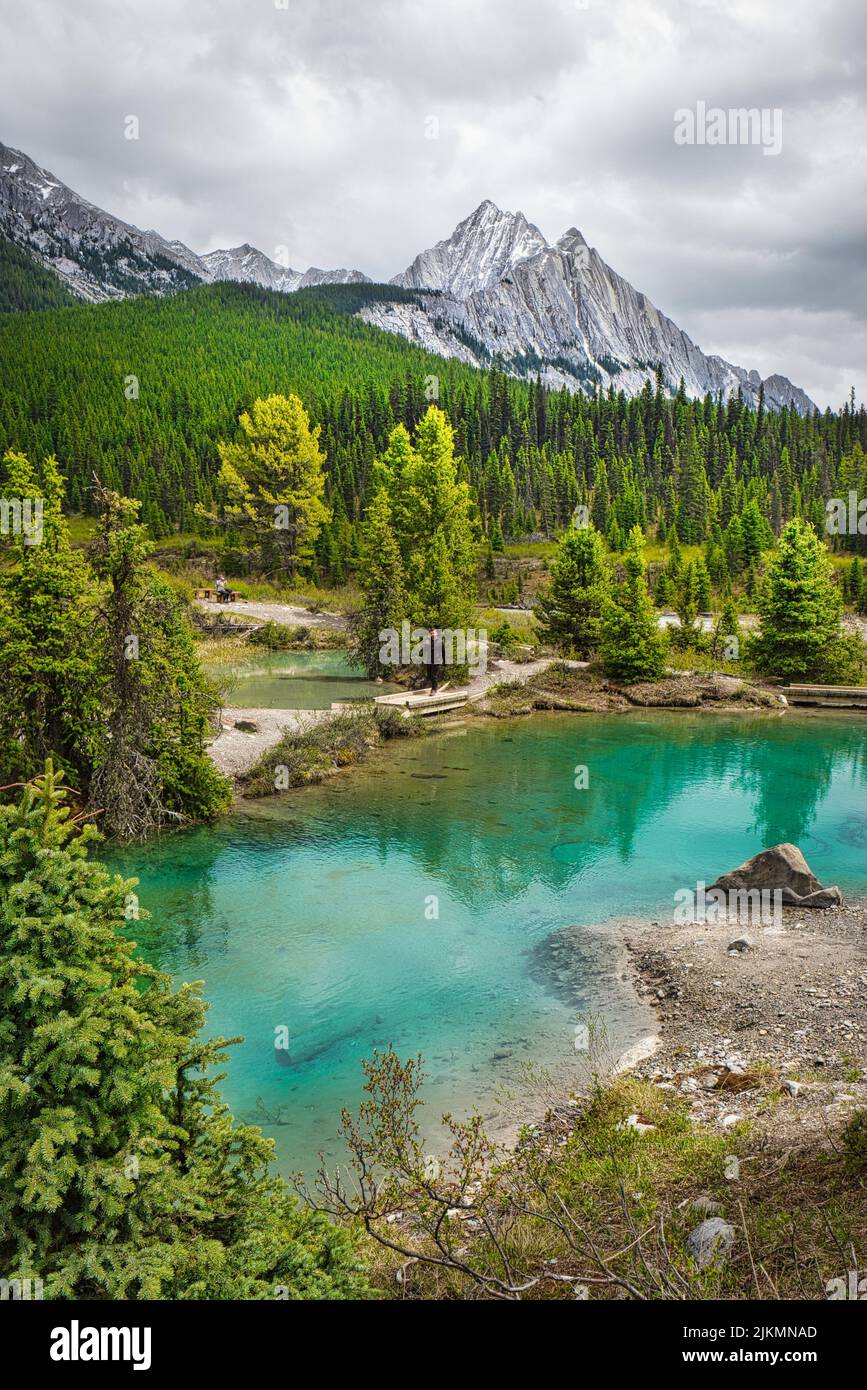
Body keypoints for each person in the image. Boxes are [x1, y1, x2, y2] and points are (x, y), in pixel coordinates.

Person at [427, 626, 442, 693]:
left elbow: (443, 651)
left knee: (434, 676)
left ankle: (434, 689)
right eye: (431, 633)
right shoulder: (428, 641)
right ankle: (435, 686)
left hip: (436, 661)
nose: (433, 634)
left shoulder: (440, 641)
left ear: (436, 633)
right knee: (429, 676)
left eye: (434, 633)